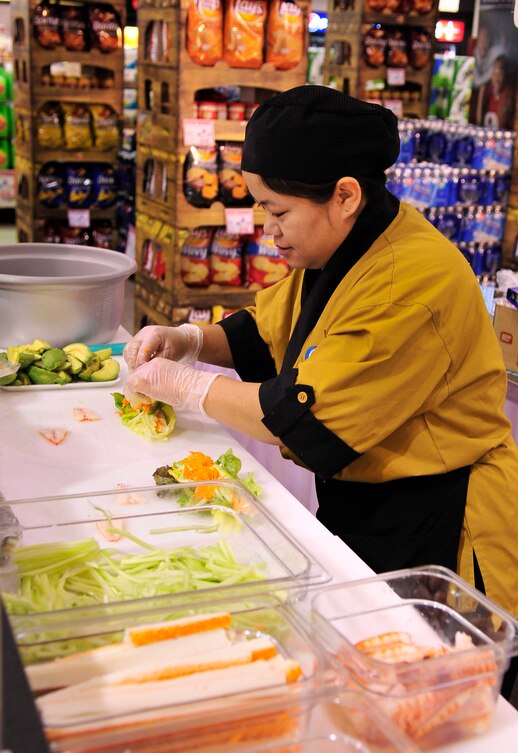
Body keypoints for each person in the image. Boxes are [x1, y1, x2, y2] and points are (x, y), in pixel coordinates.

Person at [124, 87, 518, 637]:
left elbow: (308, 421)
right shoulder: (348, 243)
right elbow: (270, 332)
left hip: (439, 525)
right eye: (262, 208)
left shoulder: (406, 282)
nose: (268, 229)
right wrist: (191, 339)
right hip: (371, 502)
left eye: (279, 210)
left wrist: (187, 387)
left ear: (346, 194)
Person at [478, 54, 516, 130]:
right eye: (494, 73)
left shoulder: (510, 96)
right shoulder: (487, 94)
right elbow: (478, 123)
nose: (496, 78)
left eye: (500, 74)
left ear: (506, 75)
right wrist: (481, 96)